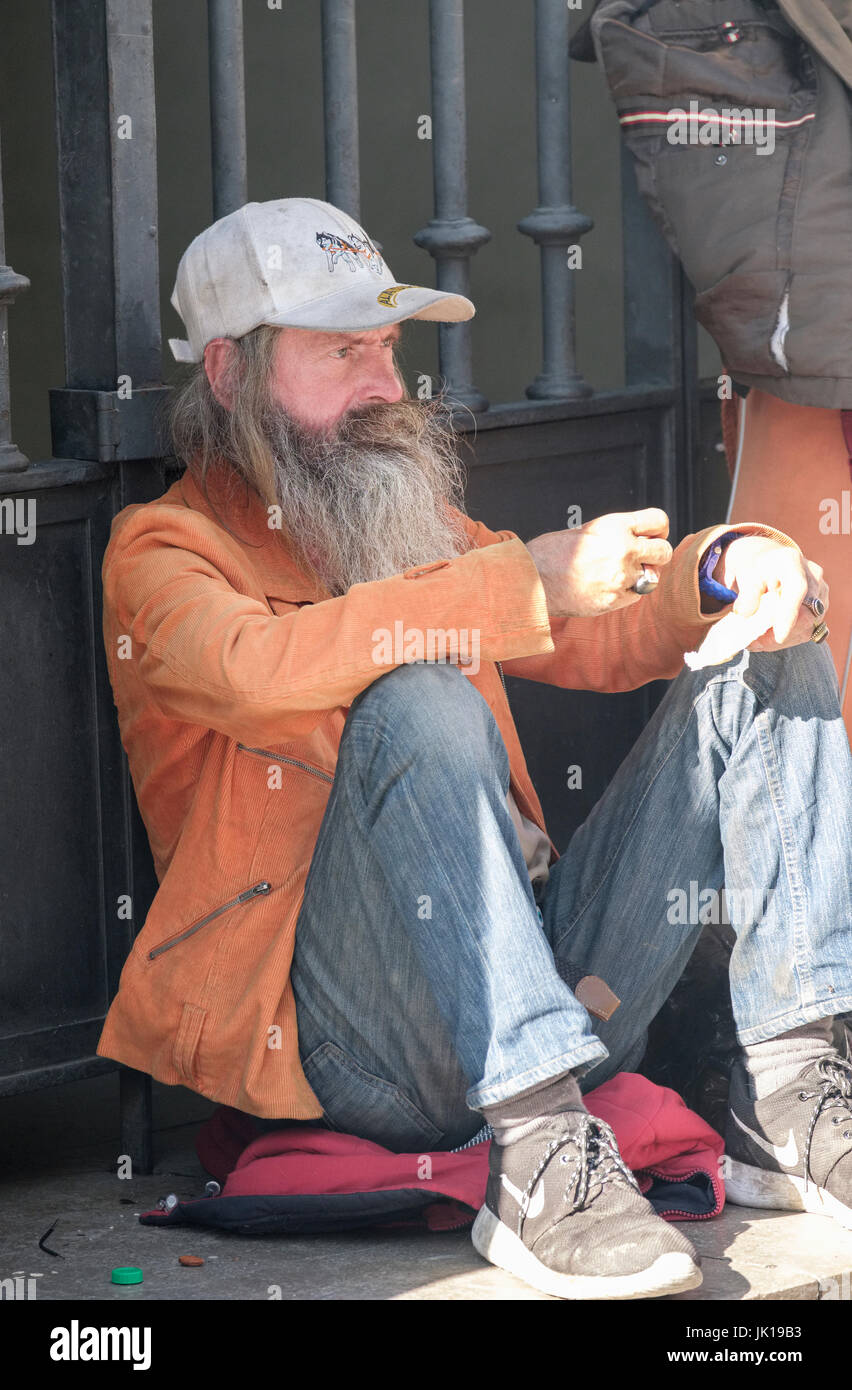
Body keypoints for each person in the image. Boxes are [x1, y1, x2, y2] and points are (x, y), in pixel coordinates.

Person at [97, 197, 852, 1301]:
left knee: (770, 655)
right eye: (343, 351)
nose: (384, 385)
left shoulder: (410, 527)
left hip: (552, 980)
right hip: (366, 1049)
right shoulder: (162, 550)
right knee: (412, 695)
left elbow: (613, 634)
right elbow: (250, 670)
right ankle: (541, 1151)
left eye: (388, 349)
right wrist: (509, 587)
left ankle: (787, 1089)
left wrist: (731, 572)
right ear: (230, 373)